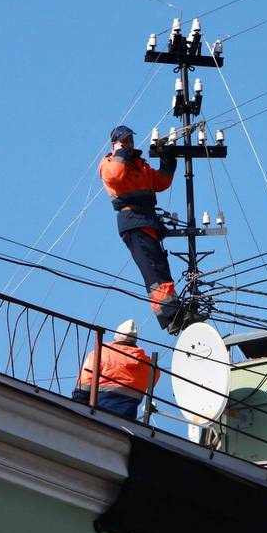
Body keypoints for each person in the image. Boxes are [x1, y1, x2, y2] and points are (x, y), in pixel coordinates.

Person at [98, 125, 183, 332]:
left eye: (130, 140)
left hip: (147, 220)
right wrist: (120, 153)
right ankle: (170, 315)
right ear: (115, 143)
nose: (129, 143)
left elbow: (161, 181)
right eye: (124, 140)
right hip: (133, 220)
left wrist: (167, 157)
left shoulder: (139, 165)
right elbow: (115, 177)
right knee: (154, 272)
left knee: (160, 268)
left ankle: (173, 313)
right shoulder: (109, 163)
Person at [71, 319, 158, 420]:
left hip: (98, 410)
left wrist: (78, 403)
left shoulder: (102, 352)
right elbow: (153, 379)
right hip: (127, 417)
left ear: (116, 337)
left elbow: (85, 383)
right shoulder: (149, 364)